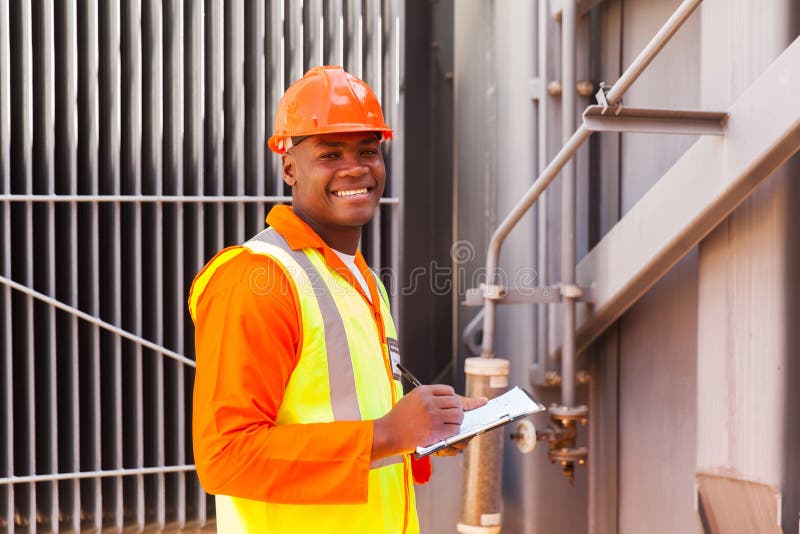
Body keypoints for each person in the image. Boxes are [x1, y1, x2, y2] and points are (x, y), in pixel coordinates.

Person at [188, 65, 486, 534]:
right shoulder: (257, 279)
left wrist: (423, 432)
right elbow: (225, 458)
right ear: (289, 167)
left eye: (368, 151)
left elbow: (355, 422)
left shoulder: (362, 280)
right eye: (330, 153)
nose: (355, 168)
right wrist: (388, 433)